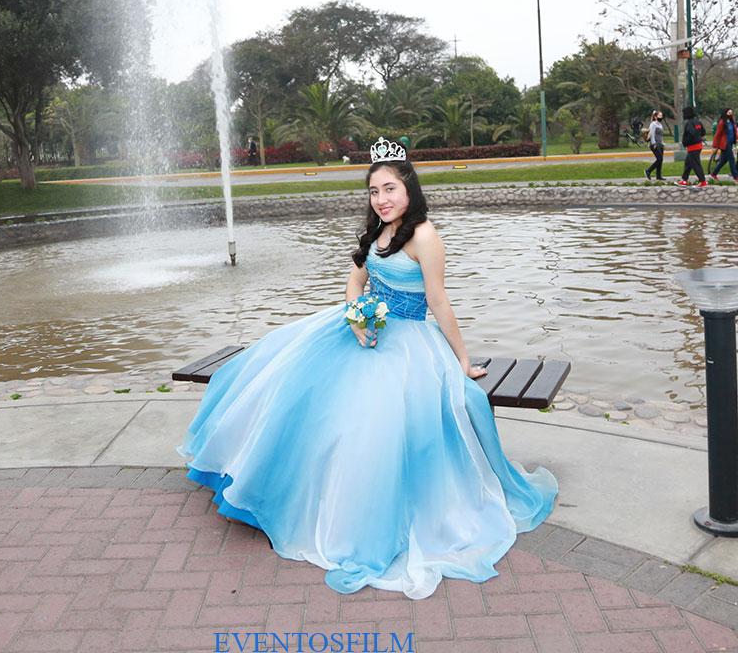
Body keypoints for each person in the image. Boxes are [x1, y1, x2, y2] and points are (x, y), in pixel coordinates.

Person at [178, 136, 557, 599]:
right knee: (290, 383)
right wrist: (355, 317)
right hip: (364, 329)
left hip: (411, 341)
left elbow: (438, 301)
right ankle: (285, 491)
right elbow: (354, 283)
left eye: (389, 189)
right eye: (374, 191)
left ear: (409, 188)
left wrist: (462, 359)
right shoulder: (376, 233)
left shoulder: (424, 235)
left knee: (375, 418)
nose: (381, 199)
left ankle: (363, 514)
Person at [708, 108, 738, 182]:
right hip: (725, 144)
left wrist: (737, 137)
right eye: (729, 113)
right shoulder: (722, 122)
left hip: (730, 142)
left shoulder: (731, 121)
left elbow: (734, 131)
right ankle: (736, 176)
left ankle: (714, 173)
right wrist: (715, 145)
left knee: (724, 160)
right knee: (732, 159)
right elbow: (718, 134)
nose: (730, 114)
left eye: (731, 113)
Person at [676, 106, 707, 187]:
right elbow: (703, 132)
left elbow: (691, 134)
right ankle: (684, 180)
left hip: (693, 147)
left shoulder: (689, 123)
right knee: (688, 163)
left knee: (696, 164)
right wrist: (699, 137)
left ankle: (702, 181)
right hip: (698, 145)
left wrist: (686, 142)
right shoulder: (698, 122)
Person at [644, 110, 666, 180]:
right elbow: (652, 134)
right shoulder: (653, 124)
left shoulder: (660, 125)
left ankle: (658, 176)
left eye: (661, 116)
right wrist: (654, 144)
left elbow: (661, 136)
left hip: (660, 144)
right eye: (659, 116)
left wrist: (663, 143)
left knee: (660, 160)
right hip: (654, 144)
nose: (661, 117)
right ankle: (648, 171)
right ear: (655, 117)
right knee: (659, 159)